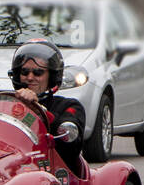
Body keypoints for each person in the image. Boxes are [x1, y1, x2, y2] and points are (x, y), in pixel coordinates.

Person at [8, 39, 86, 168]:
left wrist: (37, 108)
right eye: (24, 72)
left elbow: (71, 146)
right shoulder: (7, 104)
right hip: (12, 168)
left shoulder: (69, 106)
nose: (30, 77)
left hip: (52, 170)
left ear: (52, 76)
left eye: (38, 72)